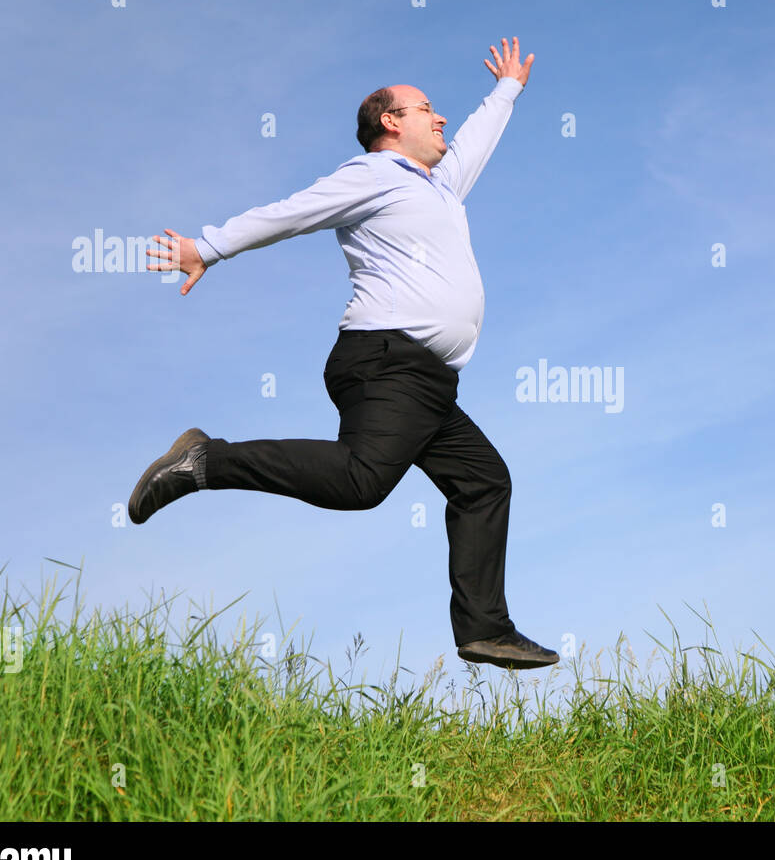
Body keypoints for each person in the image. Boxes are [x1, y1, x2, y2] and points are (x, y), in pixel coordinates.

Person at [130, 37, 557, 671]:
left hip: (429, 384)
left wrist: (507, 90)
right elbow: (292, 213)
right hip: (386, 361)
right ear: (391, 122)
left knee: (483, 482)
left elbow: (473, 146)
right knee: (361, 481)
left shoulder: (435, 187)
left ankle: (483, 629)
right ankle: (203, 461)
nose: (440, 118)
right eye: (426, 109)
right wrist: (208, 247)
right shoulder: (373, 177)